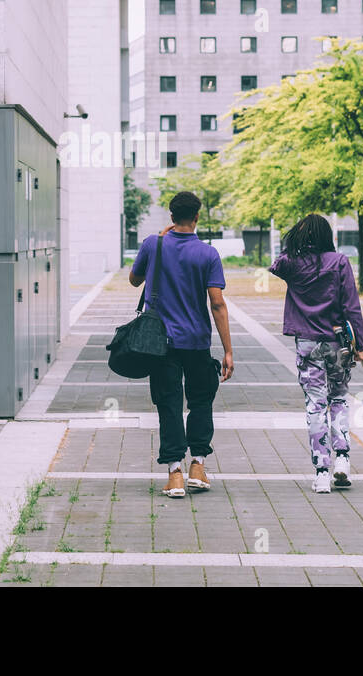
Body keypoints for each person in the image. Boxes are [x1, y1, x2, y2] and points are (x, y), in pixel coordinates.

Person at [129, 191, 234, 498]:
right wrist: (227, 350)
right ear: (197, 217)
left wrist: (161, 239)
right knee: (201, 401)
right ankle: (198, 467)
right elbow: (217, 303)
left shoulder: (153, 244)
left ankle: (175, 474)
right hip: (198, 342)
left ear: (171, 216)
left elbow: (135, 281)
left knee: (169, 404)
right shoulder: (208, 254)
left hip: (159, 343)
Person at [269, 213, 363, 493]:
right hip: (337, 342)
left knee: (315, 404)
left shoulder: (292, 263)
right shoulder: (339, 263)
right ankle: (343, 459)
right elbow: (352, 306)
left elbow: (277, 264)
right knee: (338, 398)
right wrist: (359, 345)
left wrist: (295, 240)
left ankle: (322, 471)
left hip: (308, 343)